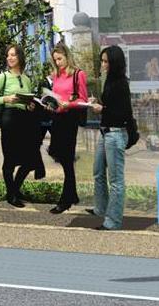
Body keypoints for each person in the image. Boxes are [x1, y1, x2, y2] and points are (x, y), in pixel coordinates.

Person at [0, 43, 39, 208]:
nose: (9, 58)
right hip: (9, 119)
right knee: (9, 159)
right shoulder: (3, 77)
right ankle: (11, 195)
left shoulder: (27, 79)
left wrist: (30, 105)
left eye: (13, 55)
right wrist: (6, 99)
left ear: (20, 57)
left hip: (25, 121)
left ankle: (14, 189)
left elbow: (28, 101)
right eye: (8, 55)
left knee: (30, 161)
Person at [88, 45, 132, 231]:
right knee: (98, 171)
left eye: (106, 61)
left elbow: (122, 113)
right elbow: (110, 106)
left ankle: (113, 221)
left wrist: (101, 109)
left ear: (114, 62)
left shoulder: (121, 83)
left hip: (115, 133)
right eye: (102, 61)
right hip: (105, 132)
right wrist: (97, 103)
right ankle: (100, 208)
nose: (103, 65)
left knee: (116, 180)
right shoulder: (109, 81)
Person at [42, 42, 89, 214]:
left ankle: (65, 200)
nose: (58, 62)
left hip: (70, 119)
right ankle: (72, 195)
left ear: (67, 57)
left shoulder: (78, 74)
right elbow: (56, 95)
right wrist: (50, 104)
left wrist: (69, 104)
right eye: (55, 60)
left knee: (67, 159)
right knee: (59, 154)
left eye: (60, 59)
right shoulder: (56, 75)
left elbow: (83, 100)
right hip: (57, 117)